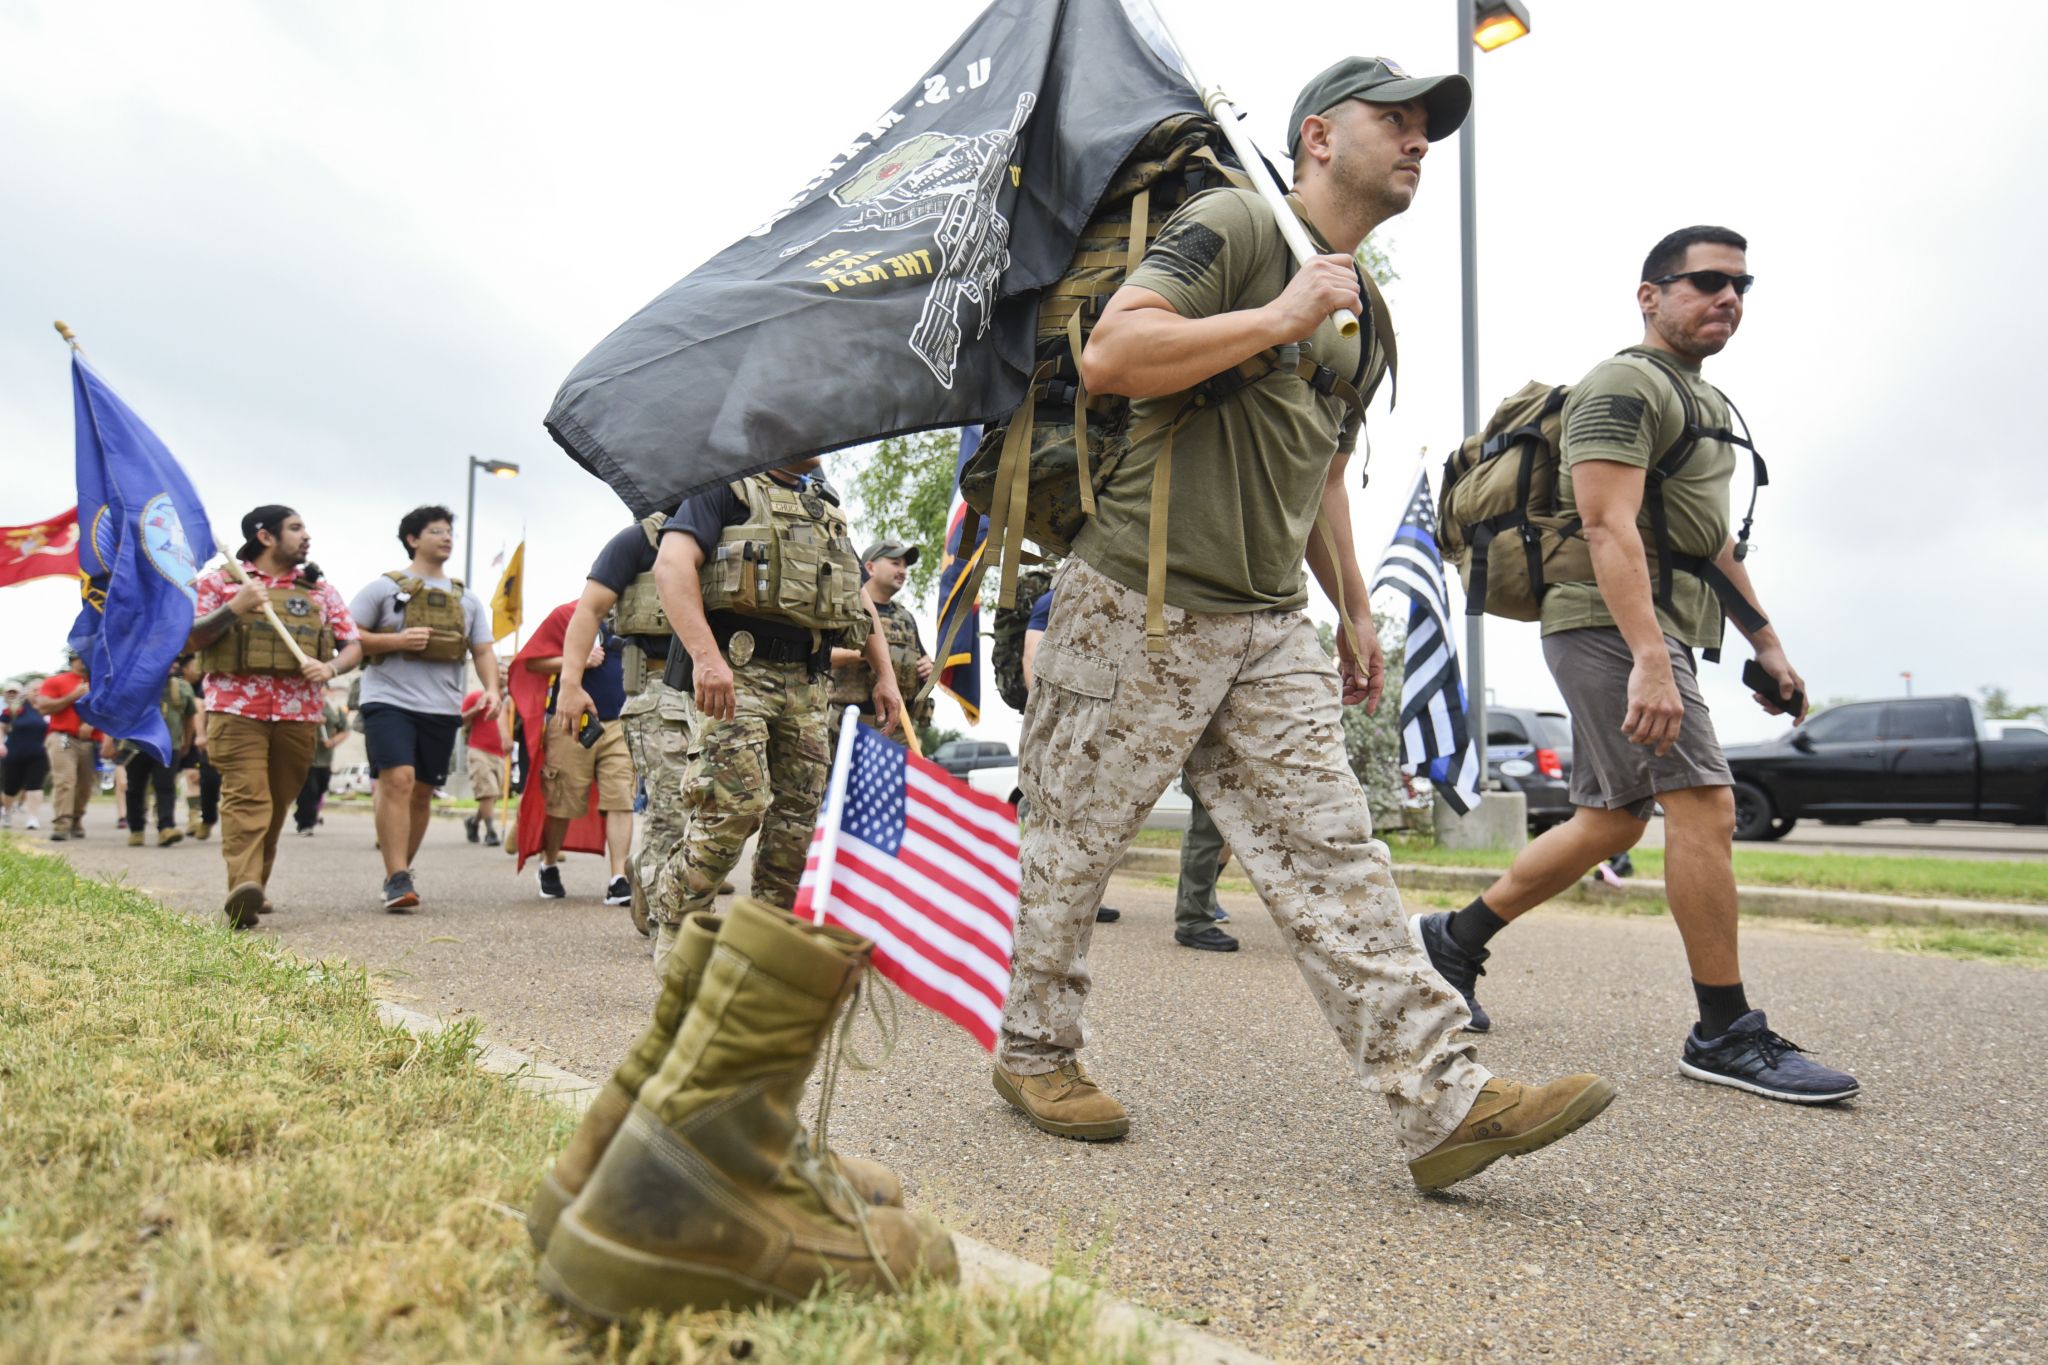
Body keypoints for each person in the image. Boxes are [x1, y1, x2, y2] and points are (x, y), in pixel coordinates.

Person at [998, 56, 1614, 1191]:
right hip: (1135, 602)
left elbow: (1319, 470)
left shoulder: (1358, 301)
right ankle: (1034, 1053)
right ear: (1320, 137)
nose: (1419, 140)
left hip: (1267, 624)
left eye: (1428, 127)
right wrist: (1277, 310)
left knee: (1336, 856)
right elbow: (1112, 356)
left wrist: (1350, 610)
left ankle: (1444, 1105)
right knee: (1072, 851)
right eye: (1396, 121)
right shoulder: (1234, 222)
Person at [1411, 226, 1859, 1104]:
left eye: (1741, 284)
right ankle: (1723, 1029)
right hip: (1615, 623)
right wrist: (1651, 658)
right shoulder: (1625, 384)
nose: (1728, 297)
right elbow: (1607, 523)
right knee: (1707, 804)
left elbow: (1710, 540)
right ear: (1650, 295)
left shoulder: (1705, 401)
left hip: (1659, 625)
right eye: (1706, 282)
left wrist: (1765, 641)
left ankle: (1451, 940)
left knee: (1612, 819)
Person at [649, 458, 904, 971]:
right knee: (733, 811)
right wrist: (705, 657)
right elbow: (671, 566)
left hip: (809, 683)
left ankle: (762, 957)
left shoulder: (825, 505)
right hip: (736, 673)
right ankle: (676, 925)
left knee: (795, 829)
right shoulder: (724, 485)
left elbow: (858, 597)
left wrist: (887, 676)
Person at [187, 506, 360, 927]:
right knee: (248, 796)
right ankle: (242, 887)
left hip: (300, 714)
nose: (306, 536)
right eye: (296, 528)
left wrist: (331, 668)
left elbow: (352, 643)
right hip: (235, 710)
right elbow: (190, 636)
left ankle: (253, 884)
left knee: (279, 803)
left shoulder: (319, 590)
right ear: (265, 537)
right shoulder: (218, 582)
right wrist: (235, 606)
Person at [348, 505, 501, 911]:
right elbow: (345, 636)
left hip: (441, 705)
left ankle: (397, 875)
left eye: (449, 531)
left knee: (421, 792)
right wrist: (396, 642)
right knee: (398, 778)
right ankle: (398, 877)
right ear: (413, 539)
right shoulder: (383, 588)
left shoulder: (466, 599)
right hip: (387, 698)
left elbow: (483, 650)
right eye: (436, 530)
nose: (446, 537)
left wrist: (492, 690)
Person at [553, 516, 687, 932]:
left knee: (714, 806)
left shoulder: (724, 531)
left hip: (720, 686)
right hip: (654, 686)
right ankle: (666, 915)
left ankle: (648, 870)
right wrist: (570, 684)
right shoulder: (637, 540)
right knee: (670, 804)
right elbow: (589, 610)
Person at [526, 607, 635, 903]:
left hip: (621, 721)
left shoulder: (636, 613)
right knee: (563, 798)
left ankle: (618, 878)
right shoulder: (568, 614)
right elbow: (532, 662)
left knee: (621, 797)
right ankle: (548, 865)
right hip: (572, 721)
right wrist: (577, 662)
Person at [829, 540, 933, 746]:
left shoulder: (905, 617)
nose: (903, 571)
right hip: (851, 726)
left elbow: (921, 659)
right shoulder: (844, 609)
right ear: (870, 567)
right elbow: (820, 654)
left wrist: (929, 667)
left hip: (900, 728)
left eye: (905, 566)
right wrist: (868, 653)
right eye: (895, 563)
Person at [121, 658, 199, 847]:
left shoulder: (182, 687)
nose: (172, 665)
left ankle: (166, 827)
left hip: (168, 746)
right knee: (135, 789)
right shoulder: (133, 684)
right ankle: (136, 829)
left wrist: (186, 743)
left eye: (175, 662)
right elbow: (118, 713)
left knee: (165, 787)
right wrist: (109, 740)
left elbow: (189, 717)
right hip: (136, 746)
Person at [36, 649, 96, 842]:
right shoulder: (56, 681)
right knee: (65, 780)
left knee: (85, 785)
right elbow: (43, 707)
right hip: (62, 737)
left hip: (88, 741)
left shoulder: (97, 683)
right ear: (73, 659)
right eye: (83, 656)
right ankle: (62, 823)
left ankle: (76, 819)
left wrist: (91, 723)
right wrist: (73, 695)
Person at [293, 686, 350, 834]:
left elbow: (345, 730)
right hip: (306, 756)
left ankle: (303, 814)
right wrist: (311, 720)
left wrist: (332, 741)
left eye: (322, 686)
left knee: (320, 788)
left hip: (325, 758)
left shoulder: (335, 708)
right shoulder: (302, 702)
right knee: (309, 790)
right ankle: (306, 823)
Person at [460, 681, 507, 846]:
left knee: (492, 796)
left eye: (505, 673)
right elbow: (459, 720)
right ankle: (490, 832)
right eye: (499, 672)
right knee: (487, 792)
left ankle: (473, 822)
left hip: (501, 754)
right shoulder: (476, 697)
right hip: (479, 750)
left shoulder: (509, 702)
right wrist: (476, 709)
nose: (502, 676)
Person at [179, 654, 221, 841]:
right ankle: (205, 819)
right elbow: (199, 707)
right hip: (209, 739)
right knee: (206, 781)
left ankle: (236, 827)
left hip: (233, 733)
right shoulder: (201, 684)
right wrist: (201, 735)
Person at [2, 681, 50, 832]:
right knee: (10, 788)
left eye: (40, 690)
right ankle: (7, 811)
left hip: (39, 754)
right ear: (27, 692)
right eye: (34, 690)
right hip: (14, 752)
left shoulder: (49, 710)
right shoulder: (16, 708)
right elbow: (1, 727)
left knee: (35, 786)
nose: (37, 693)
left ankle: (32, 818)